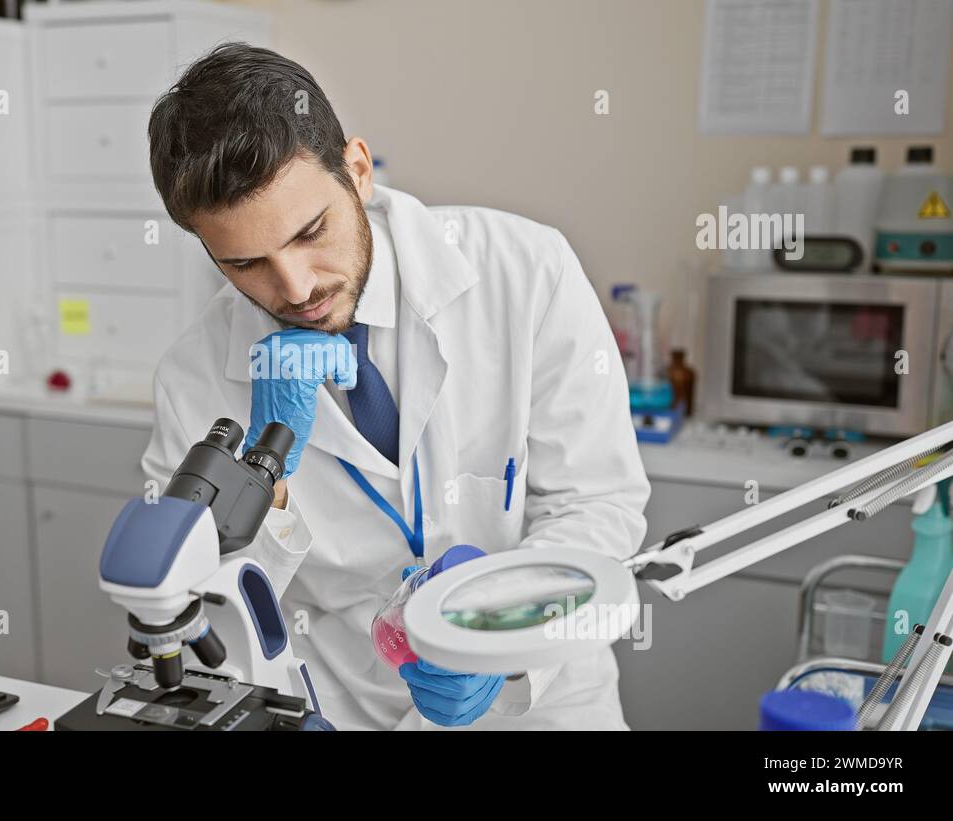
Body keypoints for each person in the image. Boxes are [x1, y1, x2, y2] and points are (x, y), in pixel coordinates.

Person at [140, 43, 649, 730]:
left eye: (310, 231)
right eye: (246, 263)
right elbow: (197, 616)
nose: (295, 288)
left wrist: (497, 630)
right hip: (351, 709)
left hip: (543, 705)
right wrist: (268, 489)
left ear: (357, 168)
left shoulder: (526, 272)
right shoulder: (190, 379)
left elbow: (600, 503)